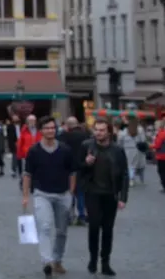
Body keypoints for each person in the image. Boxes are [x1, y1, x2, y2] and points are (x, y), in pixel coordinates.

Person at [22, 116, 75, 277]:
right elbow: (27, 174)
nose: (50, 130)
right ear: (41, 131)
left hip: (62, 193)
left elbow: (73, 172)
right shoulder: (34, 151)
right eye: (47, 128)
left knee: (62, 231)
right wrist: (25, 196)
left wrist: (71, 193)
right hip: (41, 194)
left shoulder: (65, 150)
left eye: (52, 127)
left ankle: (57, 260)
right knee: (44, 227)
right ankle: (47, 261)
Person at [77, 118, 129, 276]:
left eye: (102, 130)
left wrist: (123, 197)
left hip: (110, 194)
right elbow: (77, 168)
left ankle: (105, 262)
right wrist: (86, 163)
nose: (98, 133)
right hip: (92, 193)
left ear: (109, 132)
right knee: (93, 227)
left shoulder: (117, 150)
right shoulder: (86, 146)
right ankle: (93, 259)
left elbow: (125, 174)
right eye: (96, 130)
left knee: (107, 230)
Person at [59, 117, 90, 224]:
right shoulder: (85, 135)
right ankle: (82, 215)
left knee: (69, 192)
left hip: (68, 167)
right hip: (82, 167)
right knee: (81, 193)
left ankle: (69, 215)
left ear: (67, 125)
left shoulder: (64, 136)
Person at [117, 117, 146, 186]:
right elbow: (143, 140)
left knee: (130, 165)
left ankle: (131, 179)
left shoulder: (123, 131)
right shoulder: (140, 129)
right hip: (137, 150)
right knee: (140, 165)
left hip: (127, 150)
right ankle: (141, 178)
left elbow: (119, 142)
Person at [16, 114, 39, 186]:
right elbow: (20, 143)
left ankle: (35, 182)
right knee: (26, 170)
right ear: (27, 122)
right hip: (26, 154)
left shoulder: (39, 130)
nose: (32, 122)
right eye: (30, 121)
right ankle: (24, 182)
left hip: (37, 153)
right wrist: (19, 155)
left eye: (33, 120)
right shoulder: (24, 130)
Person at [153, 120, 165, 192]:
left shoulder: (160, 134)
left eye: (155, 125)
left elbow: (157, 145)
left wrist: (149, 146)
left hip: (161, 156)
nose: (154, 126)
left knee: (161, 171)